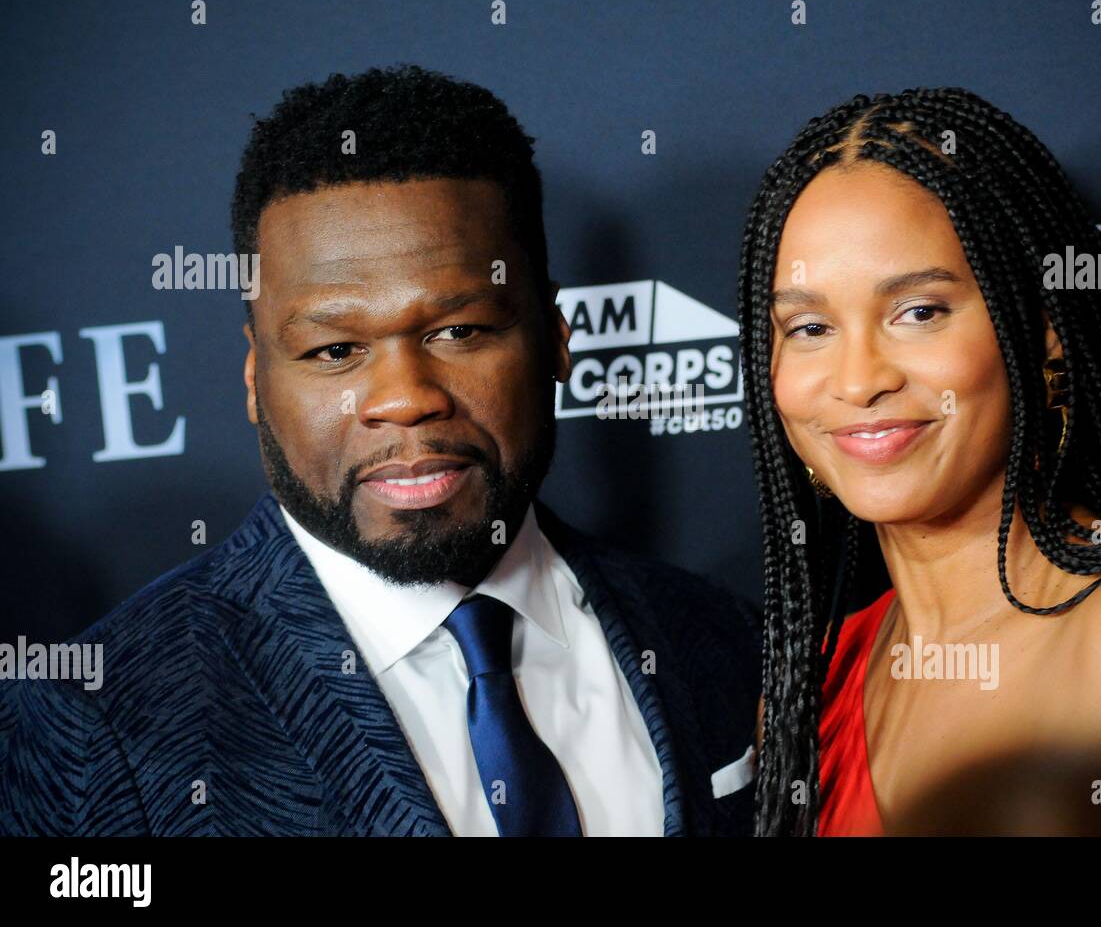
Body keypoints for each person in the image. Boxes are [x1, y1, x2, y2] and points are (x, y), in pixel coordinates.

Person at [0, 65, 760, 837]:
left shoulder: (719, 640)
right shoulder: (91, 729)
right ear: (256, 377)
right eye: (334, 350)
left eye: (459, 331)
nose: (404, 397)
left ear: (556, 341)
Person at [736, 87, 1101, 836]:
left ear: (1045, 333)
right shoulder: (808, 690)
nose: (857, 378)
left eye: (919, 312)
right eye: (808, 327)